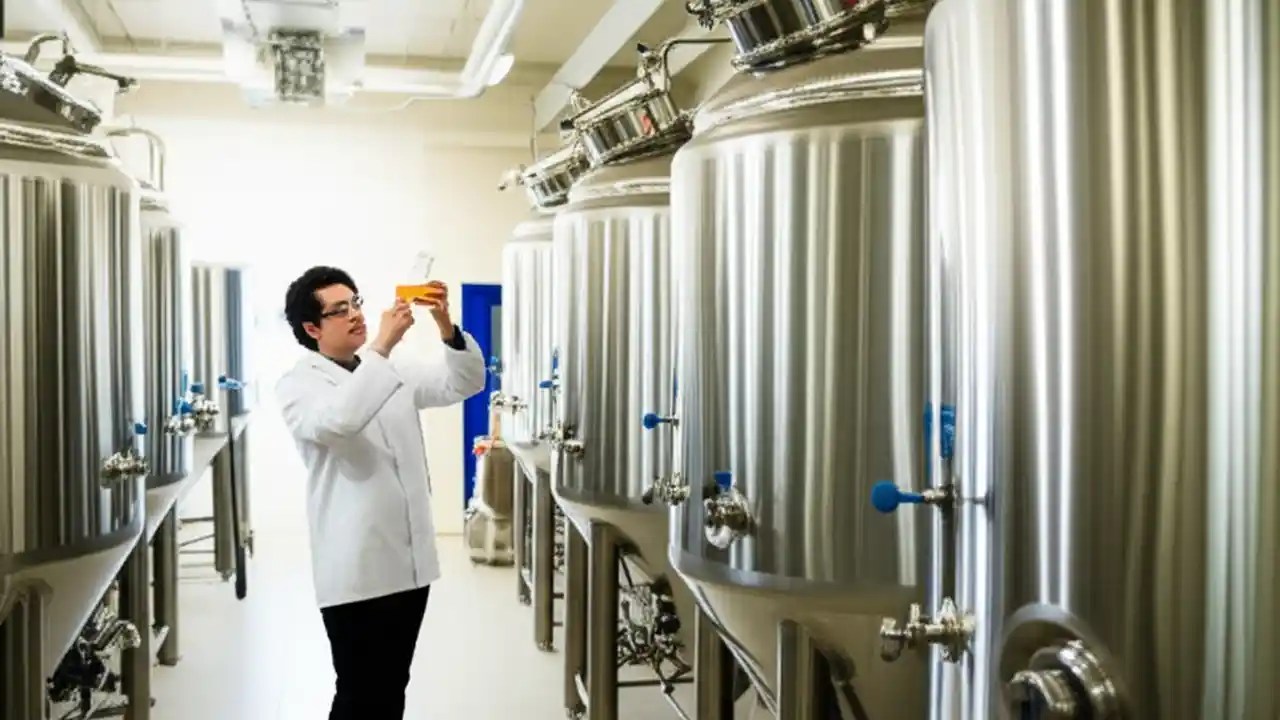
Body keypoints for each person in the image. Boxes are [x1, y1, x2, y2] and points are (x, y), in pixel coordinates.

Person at [275, 266, 486, 720]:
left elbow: (463, 383)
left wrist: (446, 328)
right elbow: (339, 421)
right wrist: (383, 346)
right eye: (339, 310)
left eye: (356, 303)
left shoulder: (394, 371)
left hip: (410, 564)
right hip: (358, 571)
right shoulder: (299, 385)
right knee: (359, 693)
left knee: (391, 687)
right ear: (313, 328)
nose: (355, 315)